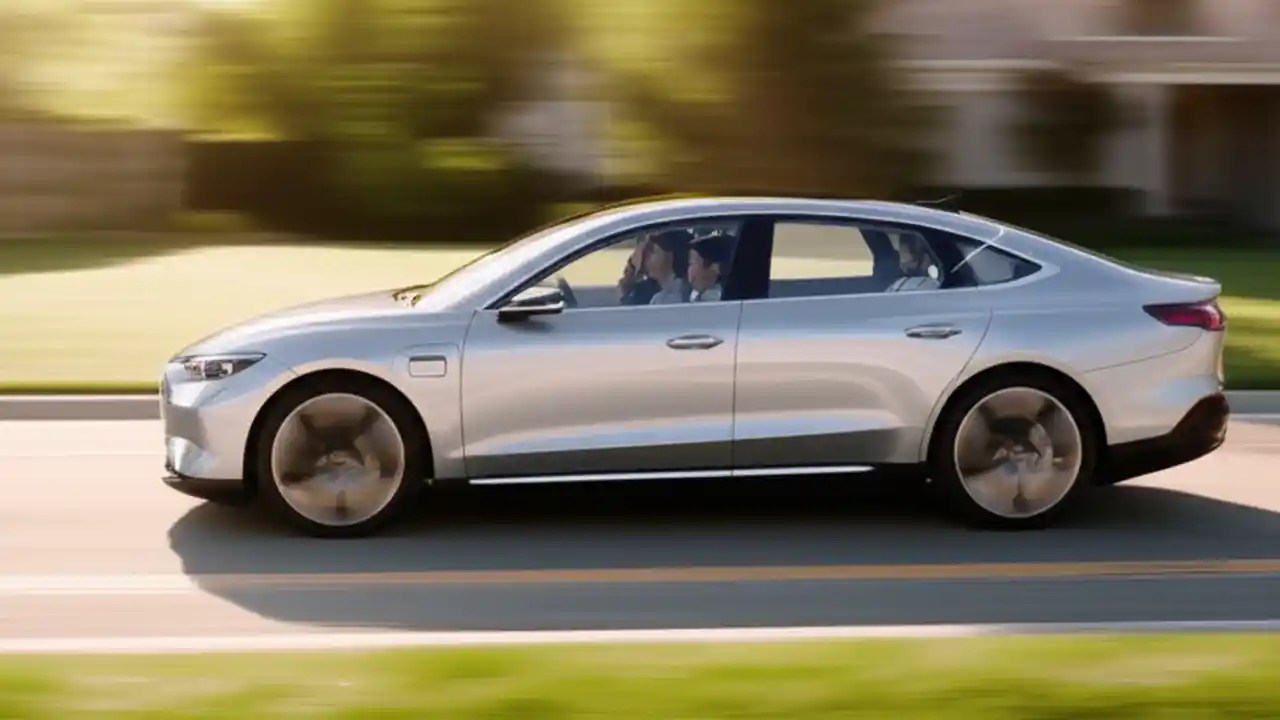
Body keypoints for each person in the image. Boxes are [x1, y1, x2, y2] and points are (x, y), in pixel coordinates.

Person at [644, 228, 692, 304]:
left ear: (670, 257)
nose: (647, 257)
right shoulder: (687, 290)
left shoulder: (666, 300)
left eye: (653, 251)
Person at [688, 233, 731, 302]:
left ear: (715, 267)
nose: (689, 270)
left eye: (692, 263)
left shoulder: (716, 301)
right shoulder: (694, 296)